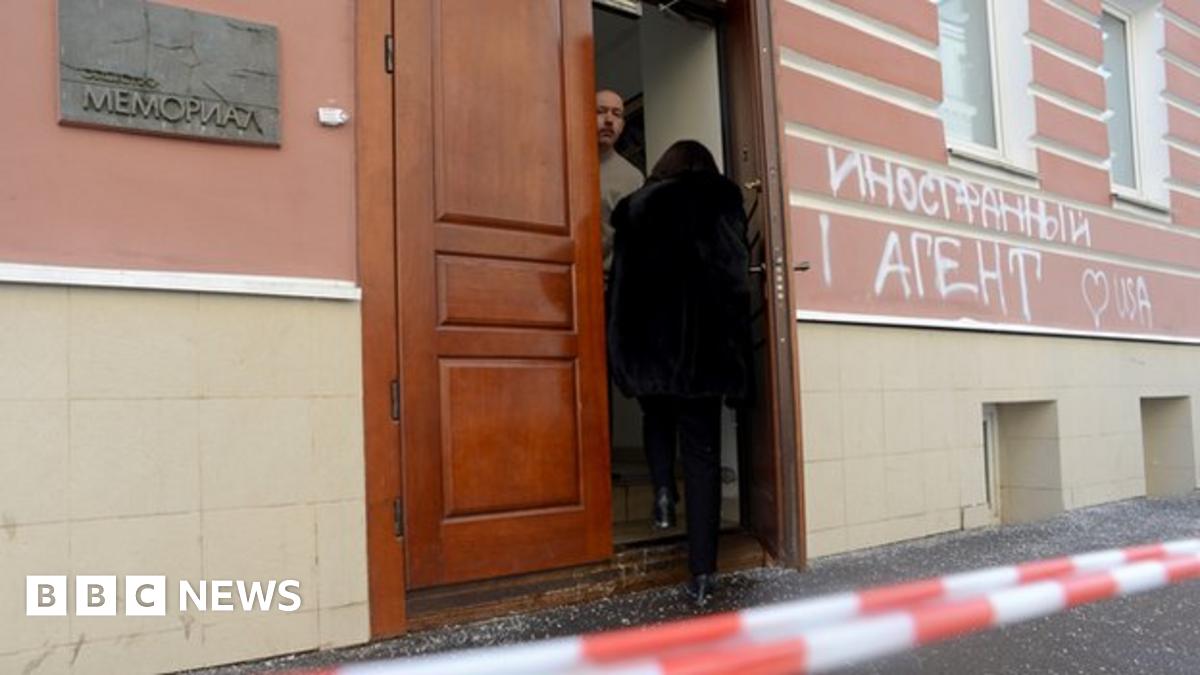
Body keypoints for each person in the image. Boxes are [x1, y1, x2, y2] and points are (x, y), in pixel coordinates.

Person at [607, 140, 753, 605]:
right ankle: (703, 573)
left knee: (655, 418)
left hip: (650, 349)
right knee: (702, 455)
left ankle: (664, 495)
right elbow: (734, 284)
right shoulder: (722, 200)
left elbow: (620, 291)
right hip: (702, 354)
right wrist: (739, 359)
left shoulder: (636, 207)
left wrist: (621, 353)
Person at [596, 89, 644, 288]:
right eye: (600, 111)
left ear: (622, 126)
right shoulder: (561, 167)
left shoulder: (632, 178)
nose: (609, 120)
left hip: (609, 287)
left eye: (616, 114)